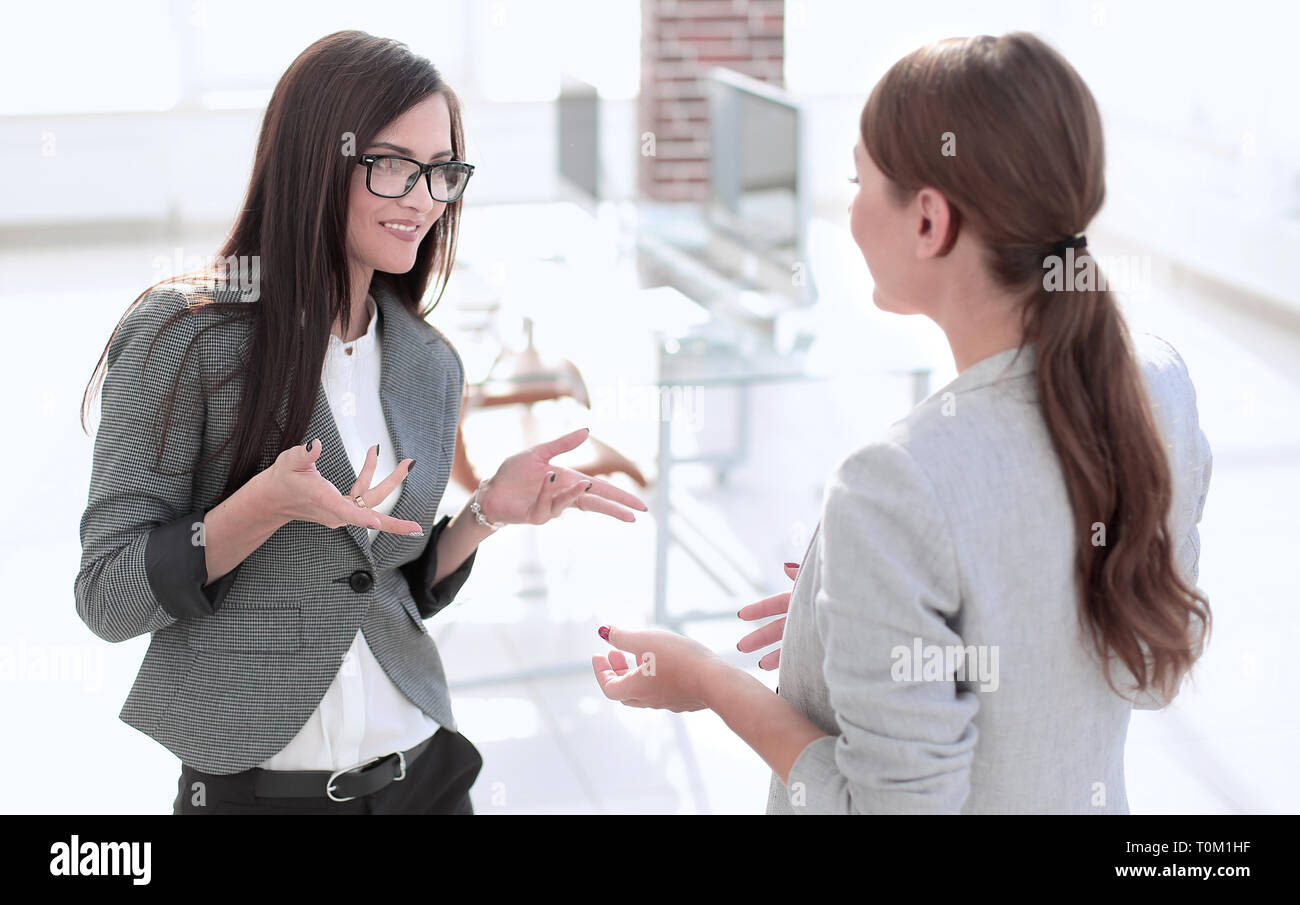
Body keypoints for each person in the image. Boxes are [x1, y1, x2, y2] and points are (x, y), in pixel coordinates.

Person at [591, 32, 1212, 814]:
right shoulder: (1161, 387)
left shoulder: (895, 484)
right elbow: (1133, 666)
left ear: (928, 221)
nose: (847, 210)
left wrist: (706, 679)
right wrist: (868, 623)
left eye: (859, 180)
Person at [75, 30, 645, 815]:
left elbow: (380, 586)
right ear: (315, 158)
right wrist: (261, 507)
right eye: (391, 166)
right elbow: (108, 596)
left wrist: (483, 515)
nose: (422, 198)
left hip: (422, 779)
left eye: (440, 171)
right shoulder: (185, 338)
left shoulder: (428, 361)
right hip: (257, 795)